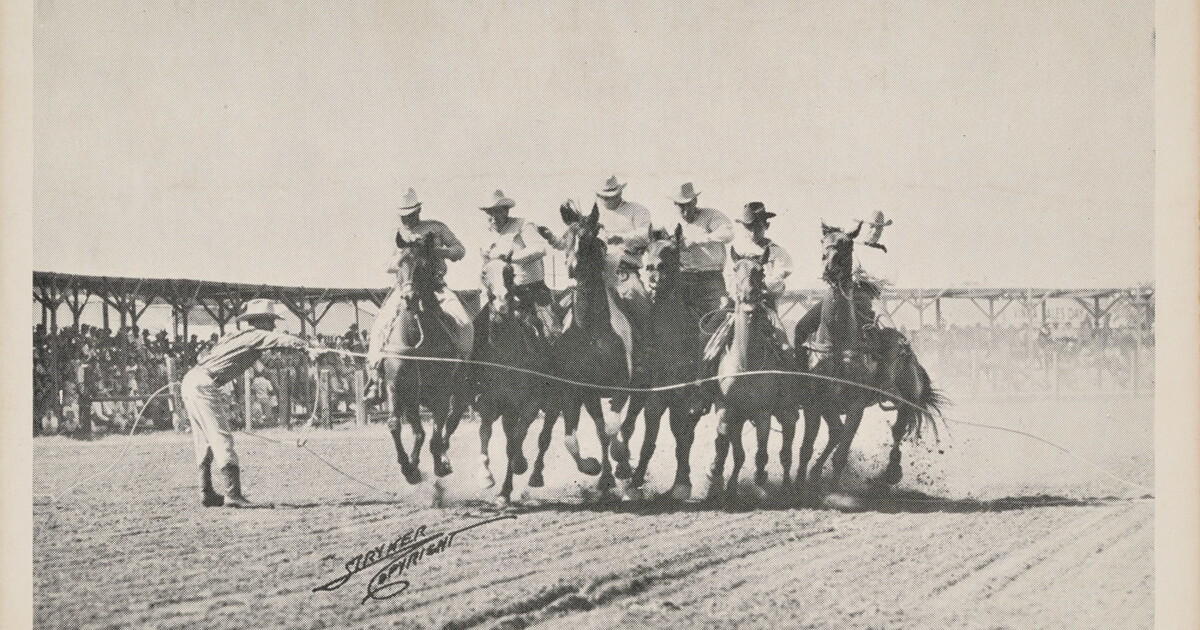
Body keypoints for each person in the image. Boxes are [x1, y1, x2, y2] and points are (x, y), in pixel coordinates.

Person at [180, 299, 320, 508]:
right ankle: (232, 495)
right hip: (204, 383)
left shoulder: (237, 336)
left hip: (194, 380)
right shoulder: (256, 335)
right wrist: (307, 347)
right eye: (271, 321)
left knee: (204, 439)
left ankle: (207, 491)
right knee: (221, 437)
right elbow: (278, 339)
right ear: (261, 322)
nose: (273, 326)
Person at [365, 188, 473, 401]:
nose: (407, 219)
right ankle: (375, 379)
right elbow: (385, 264)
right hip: (406, 288)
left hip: (436, 286)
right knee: (379, 326)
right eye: (403, 215)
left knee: (464, 321)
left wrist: (440, 251)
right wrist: (405, 256)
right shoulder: (395, 234)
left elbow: (460, 249)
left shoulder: (436, 228)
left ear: (419, 210)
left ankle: (463, 370)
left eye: (411, 214)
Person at [703, 202, 794, 361]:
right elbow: (728, 276)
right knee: (707, 334)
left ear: (766, 226)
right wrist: (737, 290)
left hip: (765, 305)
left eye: (757, 227)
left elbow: (780, 276)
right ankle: (702, 380)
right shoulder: (736, 248)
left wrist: (759, 286)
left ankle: (791, 379)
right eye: (748, 228)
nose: (752, 232)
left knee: (784, 346)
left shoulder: (776, 251)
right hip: (736, 303)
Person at [473, 189, 559, 344]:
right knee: (475, 332)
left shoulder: (523, 225)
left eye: (497, 212)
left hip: (532, 291)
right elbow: (485, 269)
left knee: (550, 335)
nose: (493, 217)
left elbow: (540, 248)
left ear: (506, 211)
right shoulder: (486, 237)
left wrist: (511, 258)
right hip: (503, 296)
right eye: (489, 213)